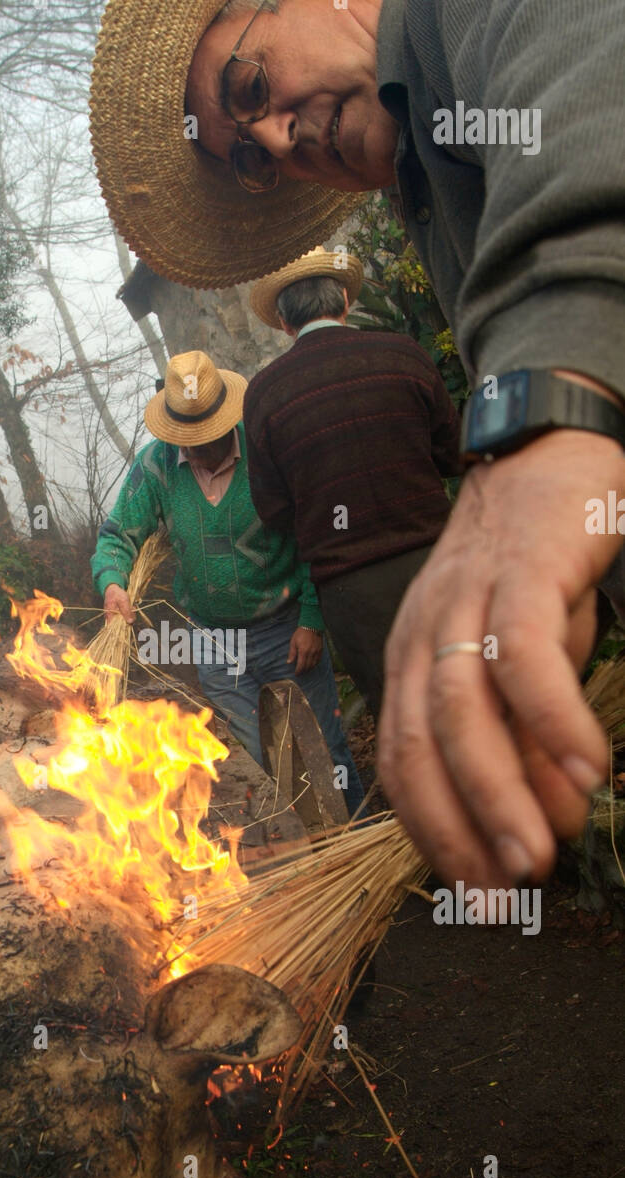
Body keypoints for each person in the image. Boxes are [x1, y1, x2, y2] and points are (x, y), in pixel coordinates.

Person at [90, 0, 625, 890]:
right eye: (251, 154)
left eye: (250, 84)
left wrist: (543, 424)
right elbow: (449, 446)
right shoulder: (426, 183)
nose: (277, 132)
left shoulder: (460, 20)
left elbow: (588, 94)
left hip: (345, 594)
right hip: (376, 588)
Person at [91, 349, 365, 812]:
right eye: (188, 437)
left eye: (209, 433)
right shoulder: (156, 466)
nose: (198, 447)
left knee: (325, 748)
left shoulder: (266, 450)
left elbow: (314, 531)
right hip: (213, 642)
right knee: (269, 761)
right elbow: (118, 535)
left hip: (287, 628)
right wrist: (113, 583)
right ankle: (317, 851)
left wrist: (312, 619)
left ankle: (358, 837)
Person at [244, 244, 461, 722]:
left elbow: (275, 512)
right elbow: (453, 453)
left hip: (351, 591)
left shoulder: (264, 393)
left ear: (284, 322)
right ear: (344, 300)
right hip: (438, 560)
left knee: (406, 721)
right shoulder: (403, 353)